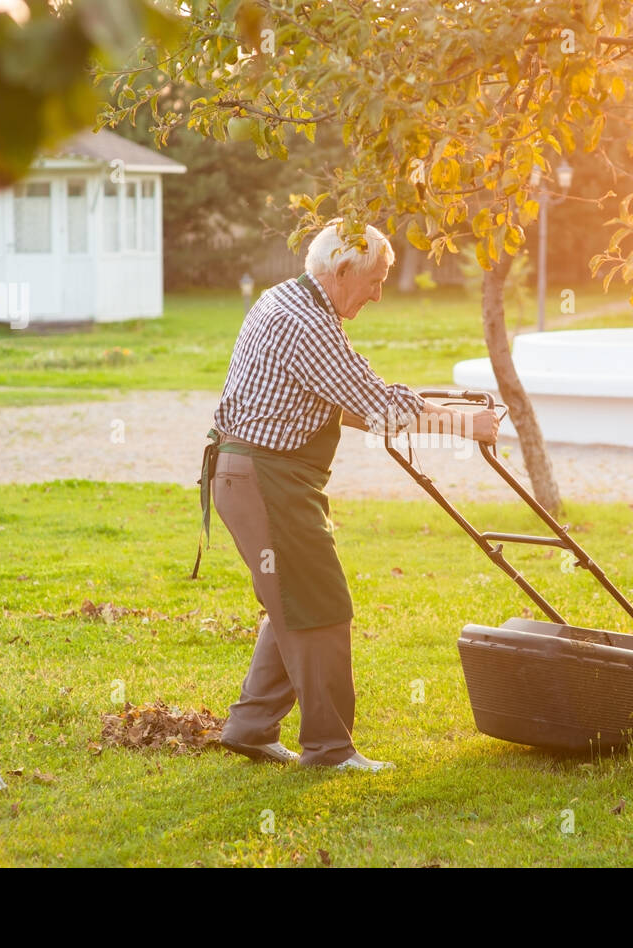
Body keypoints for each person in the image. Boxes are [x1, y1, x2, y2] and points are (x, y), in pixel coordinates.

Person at [202, 220, 499, 771]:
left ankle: (250, 725)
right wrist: (466, 424)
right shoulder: (306, 325)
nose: (379, 293)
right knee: (322, 608)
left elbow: (338, 400)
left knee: (296, 602)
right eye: (375, 280)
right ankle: (330, 750)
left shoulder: (286, 301)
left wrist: (425, 416)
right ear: (341, 272)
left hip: (257, 476)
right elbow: (378, 404)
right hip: (265, 480)